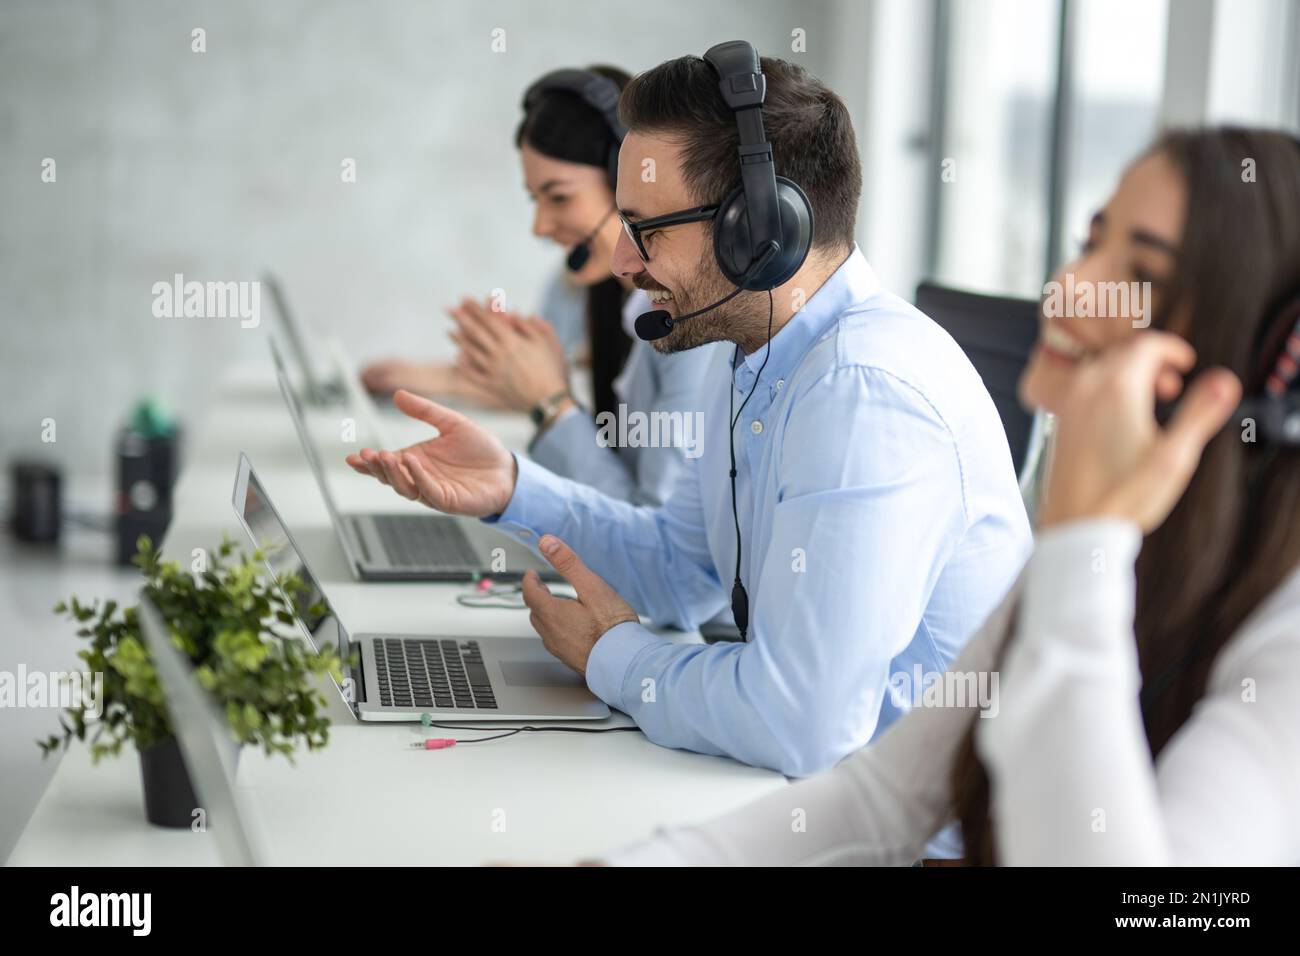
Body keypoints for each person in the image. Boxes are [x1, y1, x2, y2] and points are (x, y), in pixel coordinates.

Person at [344, 45, 1032, 807]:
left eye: (646, 229)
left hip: (915, 843)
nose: (620, 260)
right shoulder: (747, 350)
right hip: (825, 804)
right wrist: (512, 488)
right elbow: (685, 571)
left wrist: (615, 656)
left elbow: (800, 721)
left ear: (759, 232)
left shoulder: (863, 394)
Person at [595, 127, 1300, 866]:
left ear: (1252, 361)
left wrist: (1086, 536)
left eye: (1141, 275)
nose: (1067, 286)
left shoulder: (1277, 639)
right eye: (1090, 244)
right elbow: (879, 801)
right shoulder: (1110, 560)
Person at [362, 65, 719, 505]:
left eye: (560, 197)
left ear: (623, 184)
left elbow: (654, 525)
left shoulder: (693, 331)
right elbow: (537, 385)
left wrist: (552, 407)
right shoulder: (584, 287)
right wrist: (462, 373)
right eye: (536, 199)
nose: (540, 226)